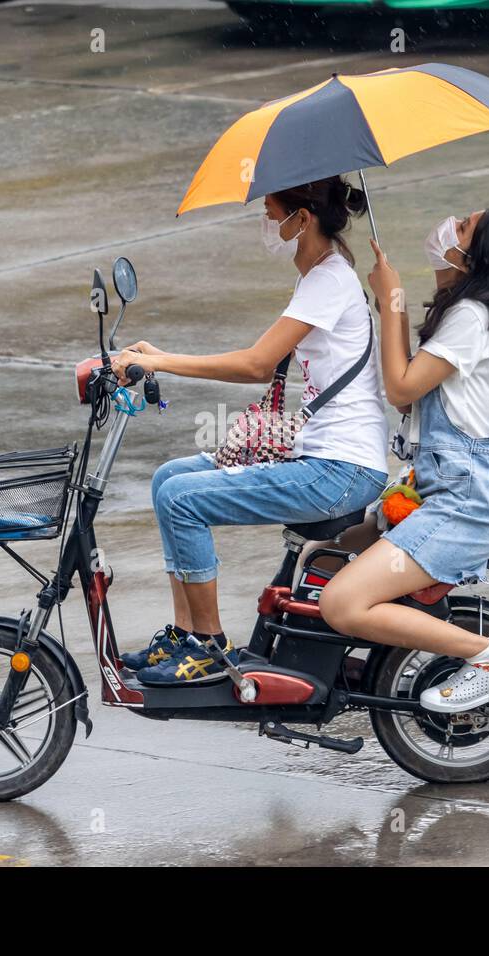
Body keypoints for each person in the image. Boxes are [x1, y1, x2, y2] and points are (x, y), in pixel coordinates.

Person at [111, 176, 388, 685]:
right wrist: (161, 358)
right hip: (322, 458)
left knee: (182, 500)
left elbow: (257, 365)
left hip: (340, 471)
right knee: (167, 480)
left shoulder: (329, 280)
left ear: (301, 220)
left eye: (270, 211)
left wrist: (162, 362)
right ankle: (183, 631)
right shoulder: (319, 278)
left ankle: (209, 647)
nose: (265, 222)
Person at [319, 207, 489, 713]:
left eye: (464, 226)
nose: (452, 221)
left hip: (465, 507)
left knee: (341, 601)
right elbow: (406, 398)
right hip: (447, 495)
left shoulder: (472, 319)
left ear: (473, 258)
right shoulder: (469, 317)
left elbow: (397, 386)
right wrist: (393, 305)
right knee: (324, 553)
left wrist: (391, 301)